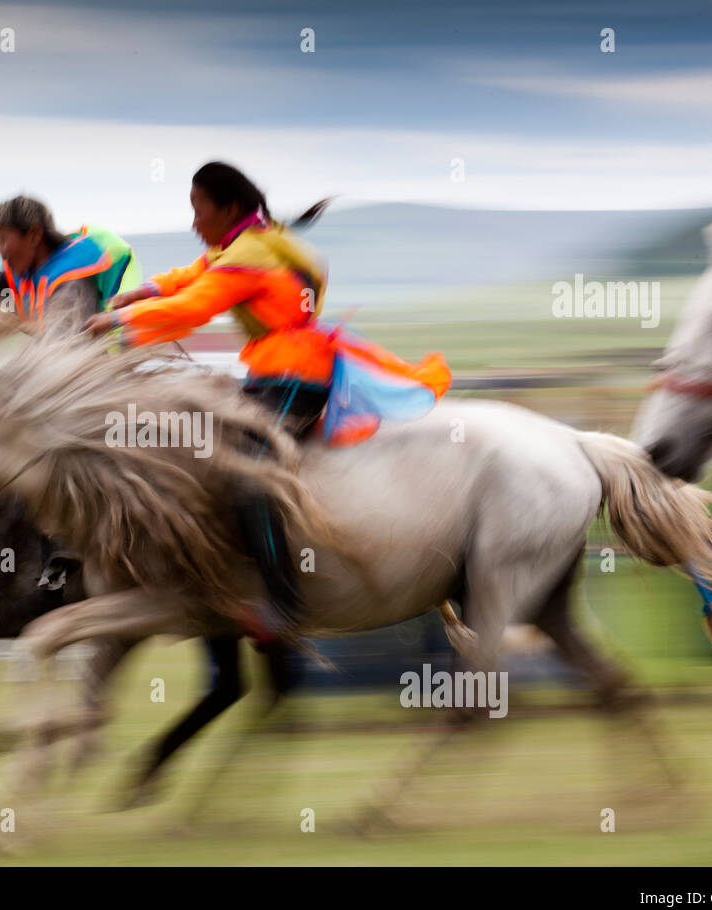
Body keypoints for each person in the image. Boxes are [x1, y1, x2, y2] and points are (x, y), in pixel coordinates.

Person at [87, 161, 450, 643]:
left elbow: (196, 305)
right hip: (272, 371)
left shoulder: (250, 254)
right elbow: (193, 274)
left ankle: (285, 604)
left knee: (248, 477)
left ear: (229, 208)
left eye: (199, 210)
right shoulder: (253, 240)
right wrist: (138, 293)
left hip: (296, 375)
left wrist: (116, 323)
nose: (194, 223)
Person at [0, 195, 141, 330]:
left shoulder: (72, 284)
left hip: (87, 384)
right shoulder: (27, 273)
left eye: (3, 240)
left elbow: (61, 347)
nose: (0, 252)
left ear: (34, 235)